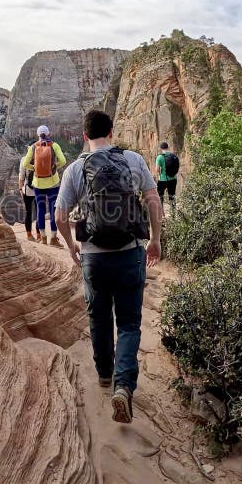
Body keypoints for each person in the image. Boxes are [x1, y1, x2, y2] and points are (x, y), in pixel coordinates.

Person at [55, 110, 162, 424]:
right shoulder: (133, 160)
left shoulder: (76, 169)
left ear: (85, 135)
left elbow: (60, 217)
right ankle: (123, 386)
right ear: (112, 132)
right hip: (130, 253)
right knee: (129, 323)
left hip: (94, 258)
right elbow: (153, 200)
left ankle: (104, 375)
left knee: (99, 318)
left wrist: (71, 246)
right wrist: (155, 239)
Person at [23, 124, 67, 247]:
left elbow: (25, 164)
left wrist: (35, 168)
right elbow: (63, 161)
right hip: (53, 183)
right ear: (48, 134)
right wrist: (53, 168)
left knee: (40, 210)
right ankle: (53, 238)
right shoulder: (54, 145)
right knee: (53, 210)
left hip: (38, 183)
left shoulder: (33, 147)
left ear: (38, 135)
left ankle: (42, 237)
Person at [18, 154, 39, 242]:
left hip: (27, 190)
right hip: (40, 189)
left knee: (28, 213)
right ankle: (39, 235)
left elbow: (21, 175)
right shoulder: (40, 157)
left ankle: (29, 235)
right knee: (39, 213)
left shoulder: (24, 159)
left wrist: (20, 188)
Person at [155, 141, 179, 207]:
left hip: (163, 179)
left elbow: (157, 169)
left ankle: (161, 212)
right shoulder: (173, 156)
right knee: (172, 195)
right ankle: (173, 213)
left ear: (161, 148)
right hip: (173, 179)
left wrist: (160, 174)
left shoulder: (160, 157)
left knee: (160, 196)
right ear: (168, 147)